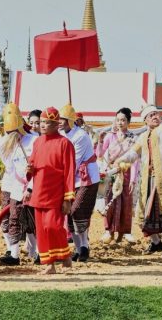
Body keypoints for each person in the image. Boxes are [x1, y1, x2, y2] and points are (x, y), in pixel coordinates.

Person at [116, 75, 162, 260]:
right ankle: (156, 242)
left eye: (156, 114)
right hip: (148, 181)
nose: (155, 117)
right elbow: (133, 153)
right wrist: (118, 162)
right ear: (145, 121)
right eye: (151, 116)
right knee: (145, 215)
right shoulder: (143, 136)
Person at [26, 107, 75, 275]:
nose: (43, 126)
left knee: (53, 226)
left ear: (56, 125)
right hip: (39, 191)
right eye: (41, 122)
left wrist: (68, 198)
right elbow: (32, 163)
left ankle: (65, 256)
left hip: (56, 192)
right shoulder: (38, 142)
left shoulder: (65, 143)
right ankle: (49, 264)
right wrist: (29, 168)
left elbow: (69, 171)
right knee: (41, 230)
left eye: (47, 123)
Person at [0, 103, 38, 266]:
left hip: (34, 185)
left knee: (32, 221)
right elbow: (10, 167)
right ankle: (14, 254)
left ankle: (36, 252)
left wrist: (30, 187)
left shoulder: (34, 140)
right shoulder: (4, 143)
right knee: (13, 218)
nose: (10, 135)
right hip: (16, 186)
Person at [59, 104, 99, 262]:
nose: (60, 122)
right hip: (70, 178)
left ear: (70, 120)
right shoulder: (62, 135)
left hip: (86, 178)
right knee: (69, 214)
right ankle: (78, 248)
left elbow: (73, 162)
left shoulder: (80, 136)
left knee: (77, 211)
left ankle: (84, 246)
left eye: (63, 119)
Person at [101, 107, 139, 244]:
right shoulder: (109, 136)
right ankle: (108, 231)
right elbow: (100, 154)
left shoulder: (134, 138)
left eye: (123, 120)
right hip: (112, 173)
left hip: (127, 173)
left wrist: (133, 179)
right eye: (118, 120)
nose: (120, 123)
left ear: (128, 121)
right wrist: (99, 142)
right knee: (109, 200)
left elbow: (135, 161)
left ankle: (126, 232)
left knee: (126, 203)